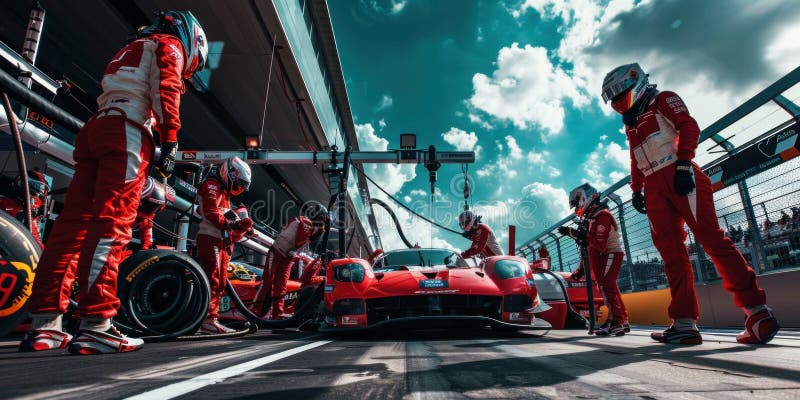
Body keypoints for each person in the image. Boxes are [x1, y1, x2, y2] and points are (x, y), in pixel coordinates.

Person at [20, 11, 208, 354]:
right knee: (112, 226)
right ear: (191, 39)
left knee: (69, 231)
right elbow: (166, 88)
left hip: (97, 128)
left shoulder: (131, 48)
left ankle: (44, 325)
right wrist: (170, 141)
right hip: (128, 131)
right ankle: (97, 324)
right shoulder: (169, 45)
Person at [602, 63, 780, 345]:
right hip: (653, 186)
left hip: (679, 172)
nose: (616, 100)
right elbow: (635, 159)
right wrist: (637, 189)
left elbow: (688, 126)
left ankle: (758, 313)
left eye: (617, 92)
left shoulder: (663, 99)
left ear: (634, 82)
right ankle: (684, 323)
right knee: (671, 255)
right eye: (610, 96)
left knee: (711, 240)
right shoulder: (632, 124)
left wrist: (684, 162)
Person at [559, 183, 629, 336]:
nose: (577, 208)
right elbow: (588, 247)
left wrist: (576, 234)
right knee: (610, 287)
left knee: (607, 286)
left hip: (610, 253)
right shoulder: (592, 218)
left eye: (577, 203)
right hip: (604, 255)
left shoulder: (602, 215)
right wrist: (580, 270)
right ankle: (622, 321)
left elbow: (599, 244)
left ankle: (616, 322)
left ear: (585, 198)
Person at [196, 157, 253, 334]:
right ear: (231, 174)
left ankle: (210, 318)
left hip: (220, 241)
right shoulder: (212, 185)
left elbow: (224, 218)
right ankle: (207, 319)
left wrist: (241, 227)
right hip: (210, 238)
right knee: (213, 278)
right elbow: (212, 213)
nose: (241, 189)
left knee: (220, 281)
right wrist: (234, 225)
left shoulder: (224, 193)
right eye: (240, 184)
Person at [253, 203, 327, 320]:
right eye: (322, 218)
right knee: (267, 281)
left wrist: (317, 233)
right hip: (277, 252)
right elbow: (299, 243)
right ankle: (254, 312)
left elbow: (300, 244)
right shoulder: (305, 222)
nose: (322, 222)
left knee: (281, 285)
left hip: (288, 256)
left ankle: (278, 315)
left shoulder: (309, 225)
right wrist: (317, 234)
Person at [0, 170, 49, 249]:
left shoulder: (31, 217)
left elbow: (37, 245)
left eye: (37, 190)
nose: (34, 191)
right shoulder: (3, 202)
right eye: (31, 186)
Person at [131, 176, 174, 251]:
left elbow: (147, 234)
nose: (150, 208)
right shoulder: (128, 204)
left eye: (154, 206)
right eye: (148, 204)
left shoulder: (148, 217)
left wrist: (146, 250)